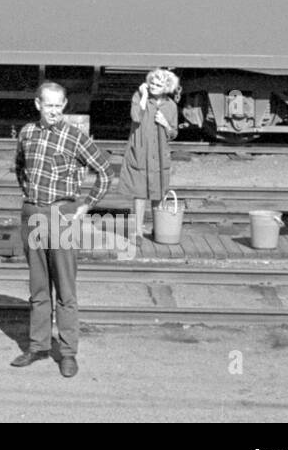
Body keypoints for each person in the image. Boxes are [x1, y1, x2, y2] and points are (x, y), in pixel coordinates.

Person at [13, 82, 113, 378]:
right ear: (37, 105)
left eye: (59, 105)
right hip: (33, 213)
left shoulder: (75, 137)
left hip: (63, 214)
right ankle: (38, 345)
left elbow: (106, 172)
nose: (54, 111)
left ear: (64, 105)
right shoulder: (27, 133)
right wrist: (30, 199)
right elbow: (20, 168)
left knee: (66, 290)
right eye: (49, 105)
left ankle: (68, 352)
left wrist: (85, 206)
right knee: (38, 287)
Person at [120, 68, 180, 241]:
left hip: (159, 153)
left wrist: (165, 124)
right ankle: (137, 232)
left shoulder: (171, 106)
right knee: (139, 193)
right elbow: (135, 117)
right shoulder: (138, 97)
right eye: (151, 83)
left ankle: (158, 229)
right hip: (140, 150)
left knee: (158, 192)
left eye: (158, 84)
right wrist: (144, 96)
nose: (153, 86)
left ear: (166, 87)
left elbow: (173, 133)